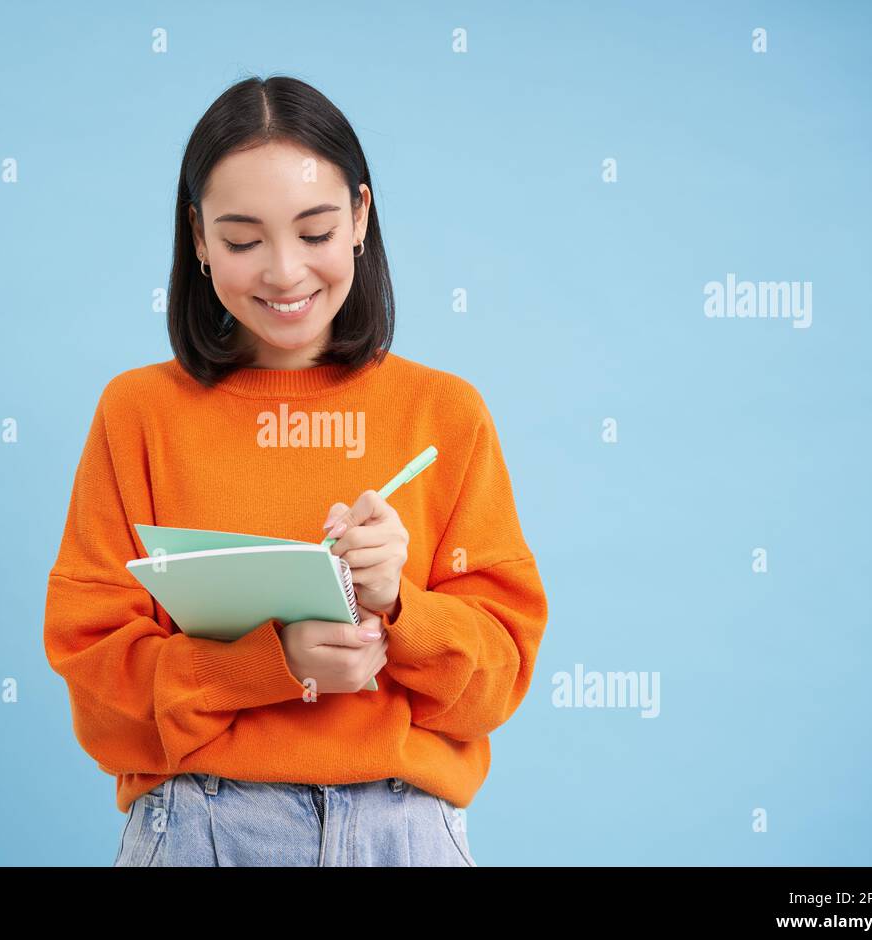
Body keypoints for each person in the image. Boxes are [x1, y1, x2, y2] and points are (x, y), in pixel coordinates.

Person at [42, 74, 548, 866]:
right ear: (199, 239)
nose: (283, 273)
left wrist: (397, 606)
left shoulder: (445, 414)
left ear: (359, 219)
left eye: (314, 232)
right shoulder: (137, 414)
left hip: (402, 833)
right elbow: (102, 703)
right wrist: (268, 665)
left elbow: (497, 686)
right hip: (202, 826)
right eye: (243, 240)